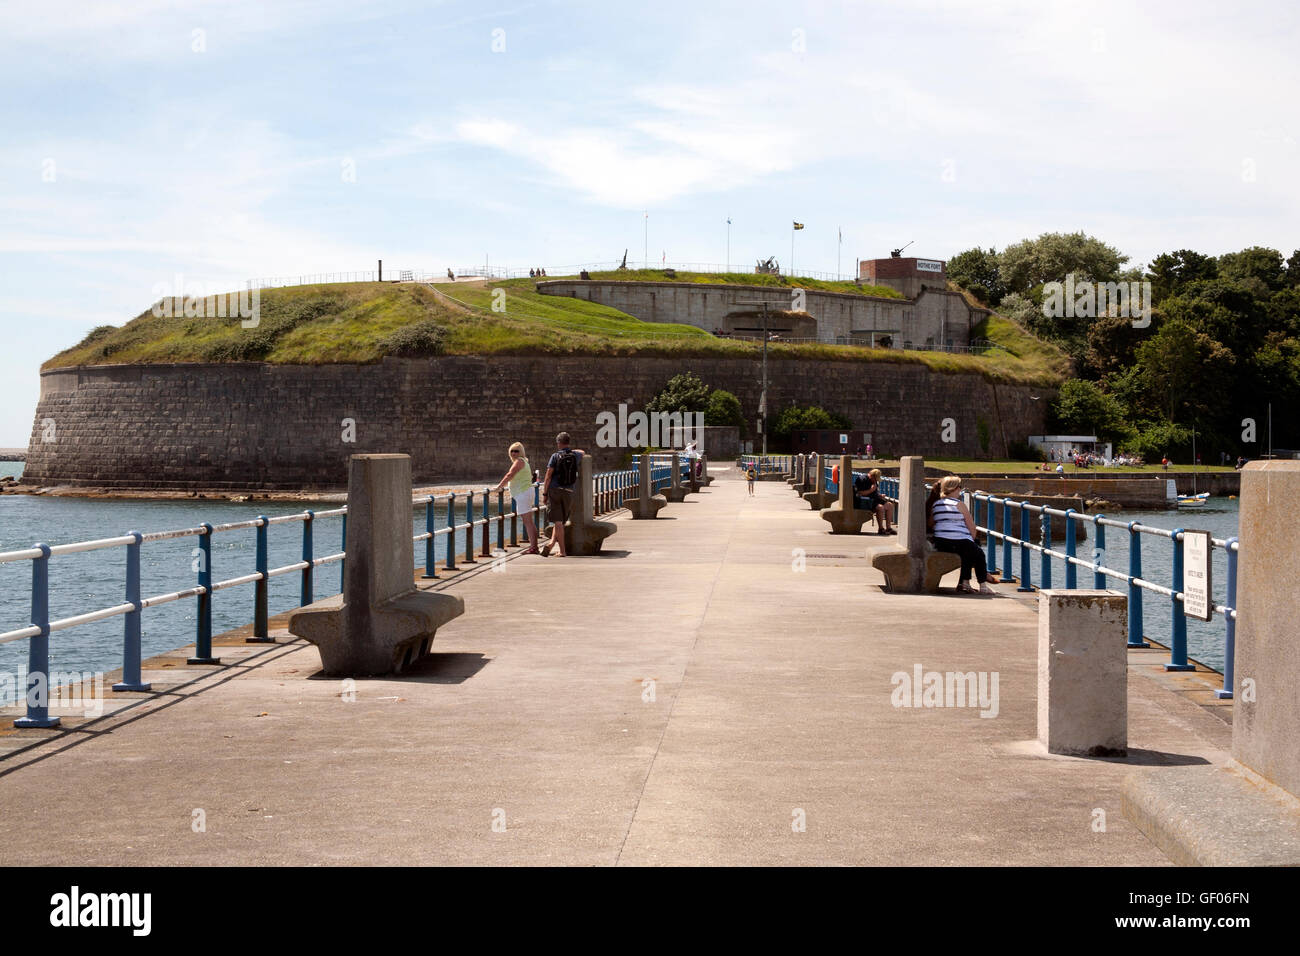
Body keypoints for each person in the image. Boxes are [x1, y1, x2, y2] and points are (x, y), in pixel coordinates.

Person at [929, 475, 993, 595]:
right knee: (978, 553)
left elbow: (931, 523)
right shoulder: (959, 504)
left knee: (968, 551)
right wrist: (971, 540)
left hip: (941, 542)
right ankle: (983, 584)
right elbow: (971, 527)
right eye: (960, 487)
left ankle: (965, 583)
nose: (960, 490)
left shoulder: (936, 504)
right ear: (954, 488)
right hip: (959, 541)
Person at [540, 432, 585, 557]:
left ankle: (562, 551)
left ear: (558, 443)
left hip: (555, 490)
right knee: (560, 522)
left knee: (558, 522)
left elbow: (548, 476)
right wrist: (570, 450)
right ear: (568, 442)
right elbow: (583, 452)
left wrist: (544, 494)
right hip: (569, 491)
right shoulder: (575, 455)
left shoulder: (555, 456)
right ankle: (551, 544)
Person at [491, 442, 539, 554]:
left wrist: (499, 486)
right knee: (529, 521)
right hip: (525, 492)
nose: (514, 453)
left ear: (521, 452)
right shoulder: (524, 461)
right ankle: (534, 546)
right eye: (512, 451)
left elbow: (510, 474)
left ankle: (533, 547)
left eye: (516, 451)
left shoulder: (519, 461)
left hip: (523, 493)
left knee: (528, 522)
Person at [859, 468, 896, 534]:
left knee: (890, 505)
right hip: (867, 501)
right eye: (875, 479)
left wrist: (880, 495)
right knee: (880, 507)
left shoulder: (873, 480)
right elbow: (860, 493)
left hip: (875, 499)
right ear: (872, 476)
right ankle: (881, 529)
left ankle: (888, 528)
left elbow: (874, 492)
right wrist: (871, 490)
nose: (876, 481)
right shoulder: (863, 479)